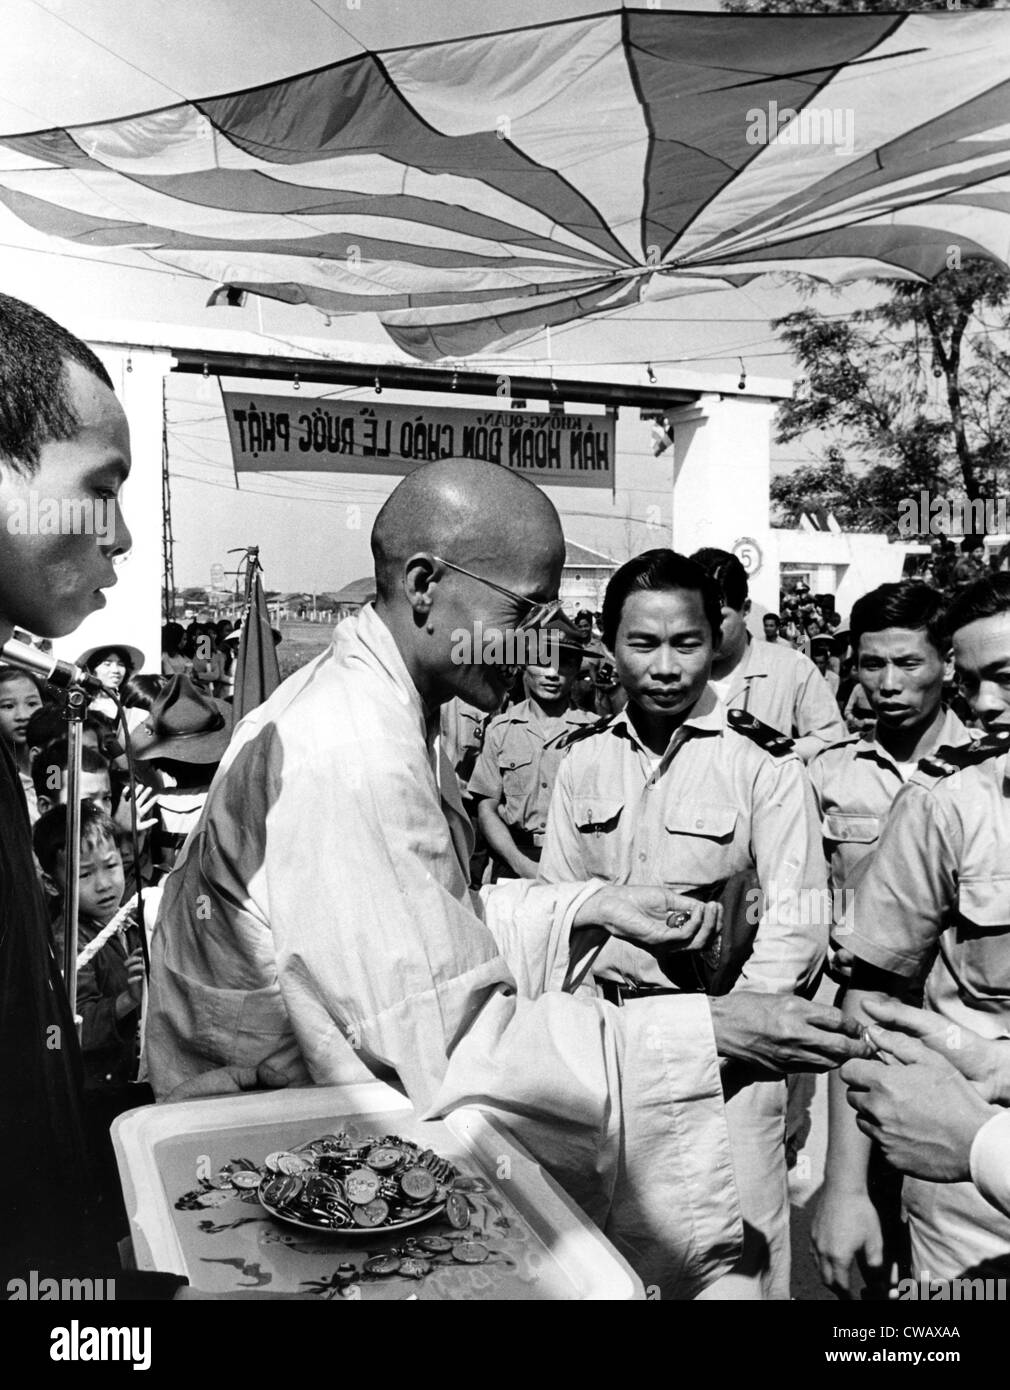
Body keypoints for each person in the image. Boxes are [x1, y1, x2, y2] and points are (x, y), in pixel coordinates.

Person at [147, 457, 867, 1299]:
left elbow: (427, 923)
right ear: (424, 584)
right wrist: (707, 1031)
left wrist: (589, 905)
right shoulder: (354, 754)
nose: (542, 644)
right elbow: (448, 1042)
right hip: (293, 1168)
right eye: (524, 611)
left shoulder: (381, 708)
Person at [539, 549, 829, 1300]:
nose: (666, 667)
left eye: (686, 643)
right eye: (643, 644)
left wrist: (731, 1028)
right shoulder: (582, 763)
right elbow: (554, 910)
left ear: (716, 640)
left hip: (730, 1066)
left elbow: (797, 925)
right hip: (612, 1056)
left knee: (736, 1275)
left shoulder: (764, 764)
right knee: (609, 1262)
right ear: (608, 645)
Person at [813, 573, 1010, 1296]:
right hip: (973, 1201)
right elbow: (870, 995)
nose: (986, 705)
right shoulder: (945, 808)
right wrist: (843, 1187)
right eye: (975, 683)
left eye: (1007, 679)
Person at [468, 615, 595, 880]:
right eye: (542, 659)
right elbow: (487, 807)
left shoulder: (595, 733)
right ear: (524, 661)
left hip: (575, 860)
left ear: (576, 668)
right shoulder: (501, 729)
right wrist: (520, 863)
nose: (552, 673)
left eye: (564, 663)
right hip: (512, 858)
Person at [691, 549, 846, 762]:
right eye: (694, 618)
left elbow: (832, 743)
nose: (704, 630)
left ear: (745, 609)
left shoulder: (793, 667)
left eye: (717, 619)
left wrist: (772, 752)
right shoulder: (675, 671)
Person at [0, 664, 45, 810]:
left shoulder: (52, 764)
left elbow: (55, 795)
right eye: (8, 706)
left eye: (32, 704)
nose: (23, 716)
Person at [77, 642, 144, 721]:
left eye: (121, 664)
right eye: (107, 664)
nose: (115, 670)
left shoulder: (129, 703)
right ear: (93, 668)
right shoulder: (80, 701)